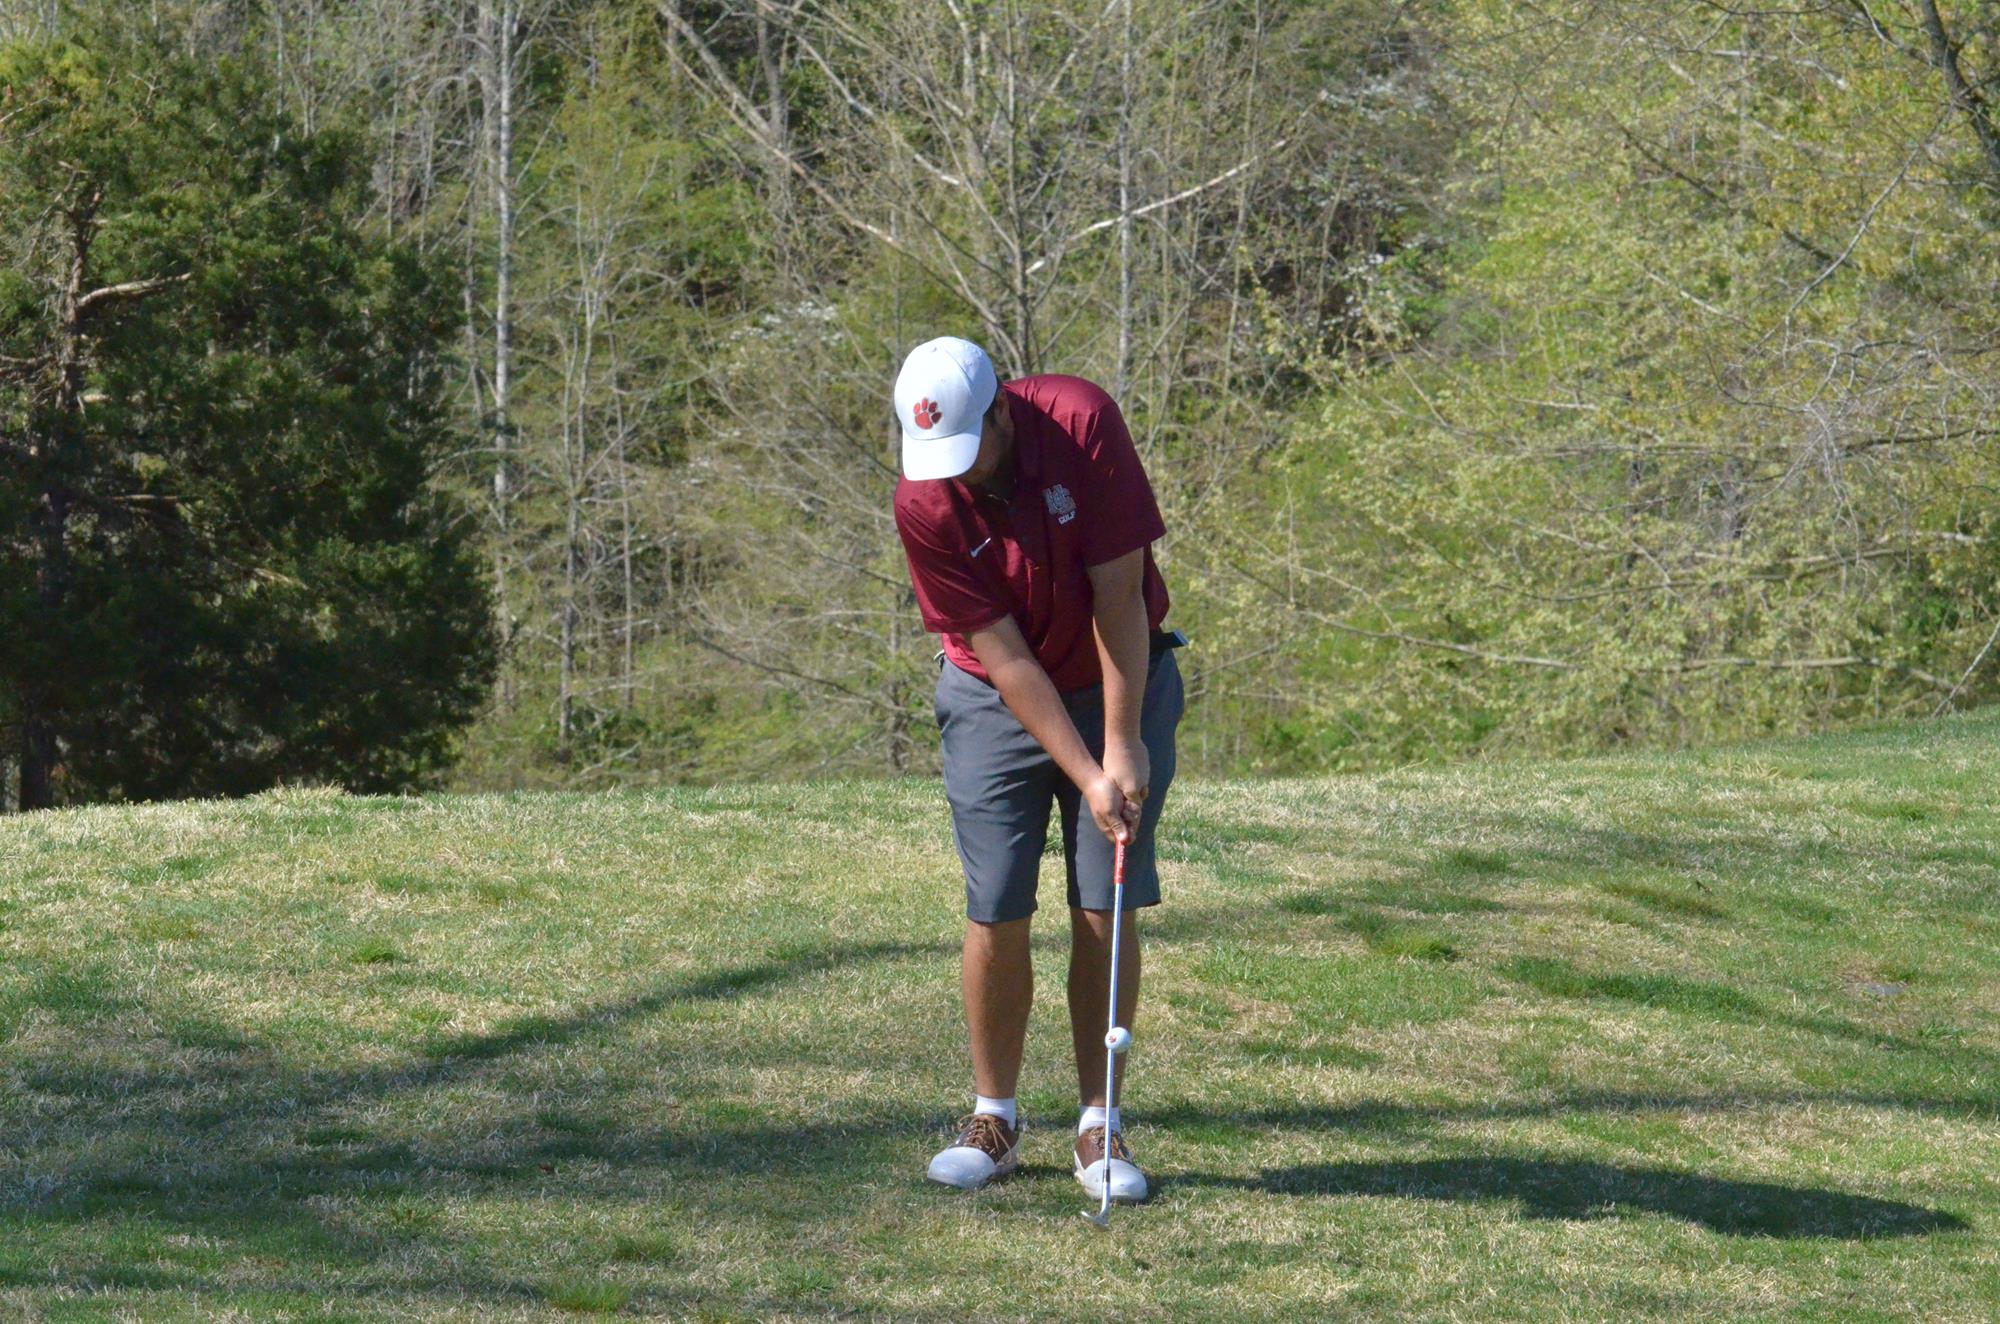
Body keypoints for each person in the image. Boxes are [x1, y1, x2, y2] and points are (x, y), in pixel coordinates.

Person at [890, 335, 1185, 1204]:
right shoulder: (926, 499)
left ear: (1003, 416)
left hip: (1114, 673)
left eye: (967, 449)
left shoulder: (1080, 421)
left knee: (1106, 899)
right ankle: (995, 1115)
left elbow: (1118, 594)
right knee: (997, 902)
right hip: (993, 694)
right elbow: (1003, 655)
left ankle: (1100, 1122)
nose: (954, 474)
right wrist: (1082, 773)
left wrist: (1120, 746)